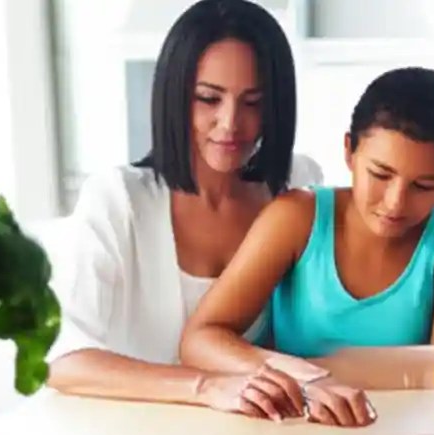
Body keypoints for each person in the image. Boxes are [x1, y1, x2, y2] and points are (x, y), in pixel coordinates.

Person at [43, 0, 328, 411]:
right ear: (174, 95)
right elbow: (62, 359)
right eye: (209, 99)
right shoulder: (118, 199)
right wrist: (206, 387)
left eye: (252, 103)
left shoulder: (297, 186)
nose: (230, 123)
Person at [180, 67, 434, 427]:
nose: (395, 203)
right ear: (349, 152)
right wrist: (308, 378)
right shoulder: (297, 218)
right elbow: (199, 339)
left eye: (424, 186)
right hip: (292, 431)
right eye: (380, 174)